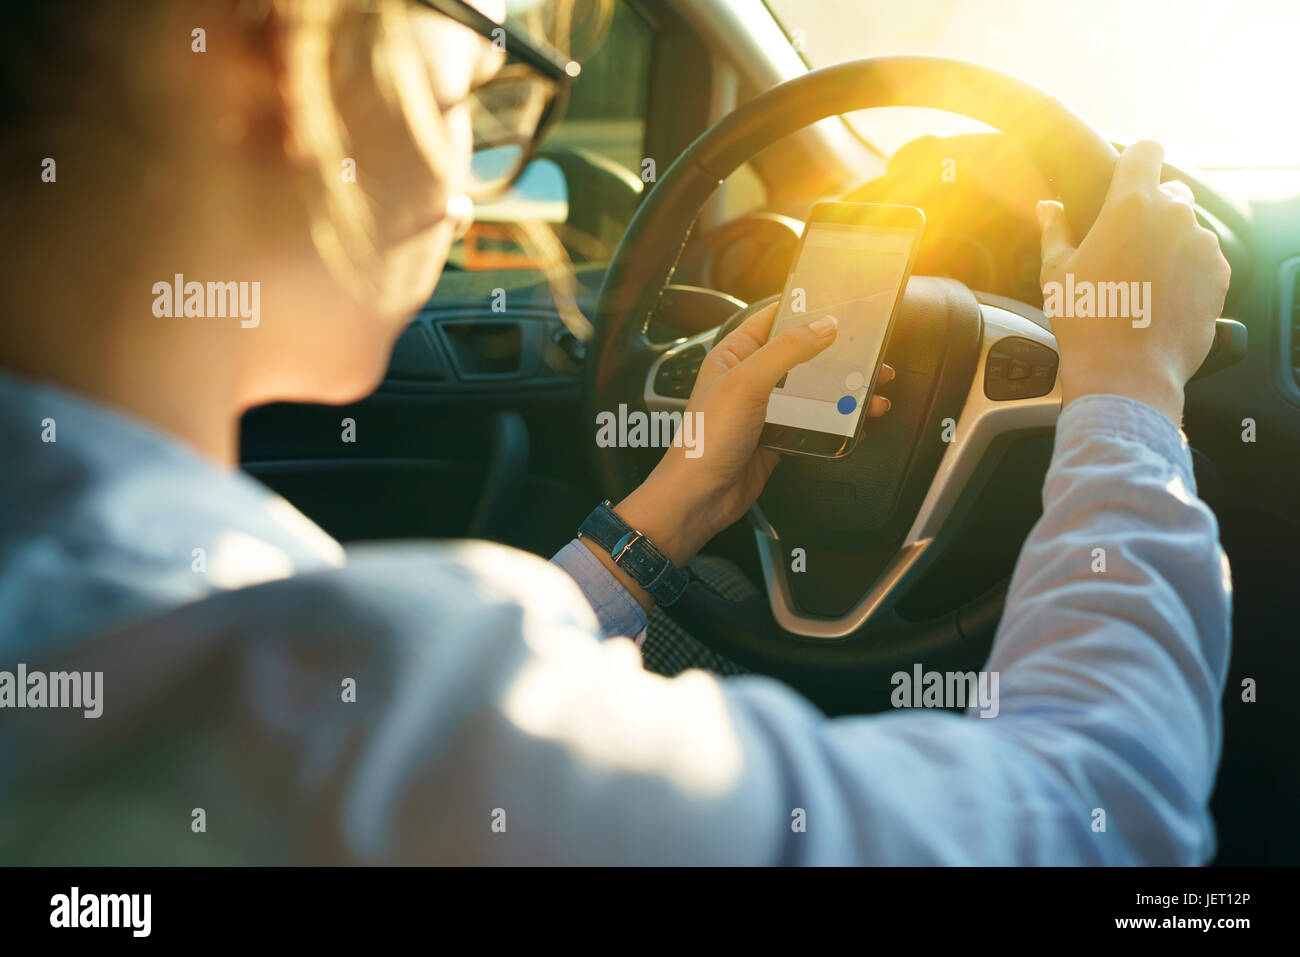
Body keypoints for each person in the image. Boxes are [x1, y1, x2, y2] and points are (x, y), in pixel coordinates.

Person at [0, 0, 1231, 864]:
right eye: (467, 97)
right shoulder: (333, 719)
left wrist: (670, 513)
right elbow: (1099, 815)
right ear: (273, 52)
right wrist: (1126, 382)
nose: (472, 181)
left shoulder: (139, 641)